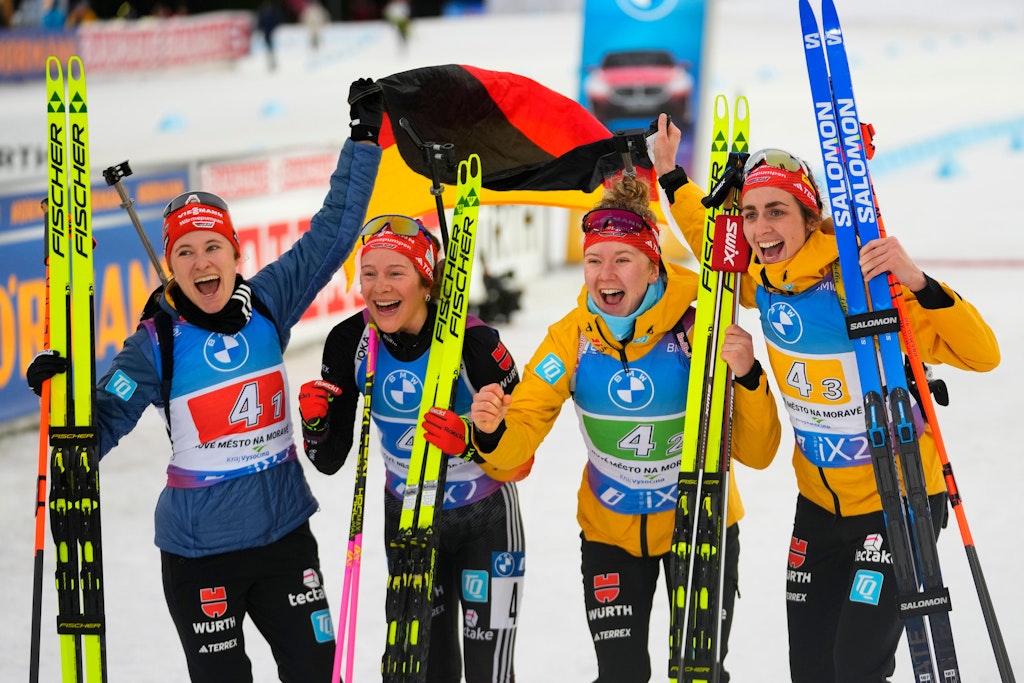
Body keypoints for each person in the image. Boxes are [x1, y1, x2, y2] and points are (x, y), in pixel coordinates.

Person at [26, 79, 385, 683]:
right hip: (200, 556)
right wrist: (61, 394)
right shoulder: (155, 343)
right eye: (185, 252)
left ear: (235, 253)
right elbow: (97, 429)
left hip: (285, 541)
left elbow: (332, 235)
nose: (200, 262)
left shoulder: (270, 300)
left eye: (212, 247)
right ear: (170, 263)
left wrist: (363, 142)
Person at [653, 114, 1001, 682]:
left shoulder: (859, 278)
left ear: (809, 216)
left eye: (777, 211)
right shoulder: (761, 279)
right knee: (812, 670)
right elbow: (708, 238)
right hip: (817, 504)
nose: (762, 228)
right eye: (751, 213)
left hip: (898, 500)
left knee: (856, 667)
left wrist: (918, 282)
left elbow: (983, 354)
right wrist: (671, 177)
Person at [460, 172, 781, 683]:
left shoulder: (696, 326)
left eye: (622, 259)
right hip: (610, 530)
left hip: (700, 525)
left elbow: (759, 452)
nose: (605, 273)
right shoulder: (569, 340)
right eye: (594, 260)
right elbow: (522, 428)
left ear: (653, 267)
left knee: (698, 672)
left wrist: (746, 376)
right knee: (621, 674)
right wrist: (493, 431)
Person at [298, 214, 530, 683]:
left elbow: (521, 460)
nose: (380, 287)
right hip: (407, 515)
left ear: (426, 281)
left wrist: (474, 441)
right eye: (370, 273)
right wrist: (317, 424)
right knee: (423, 670)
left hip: (486, 519)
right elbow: (329, 460)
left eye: (395, 272)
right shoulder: (350, 342)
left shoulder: (476, 344)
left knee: (490, 673)